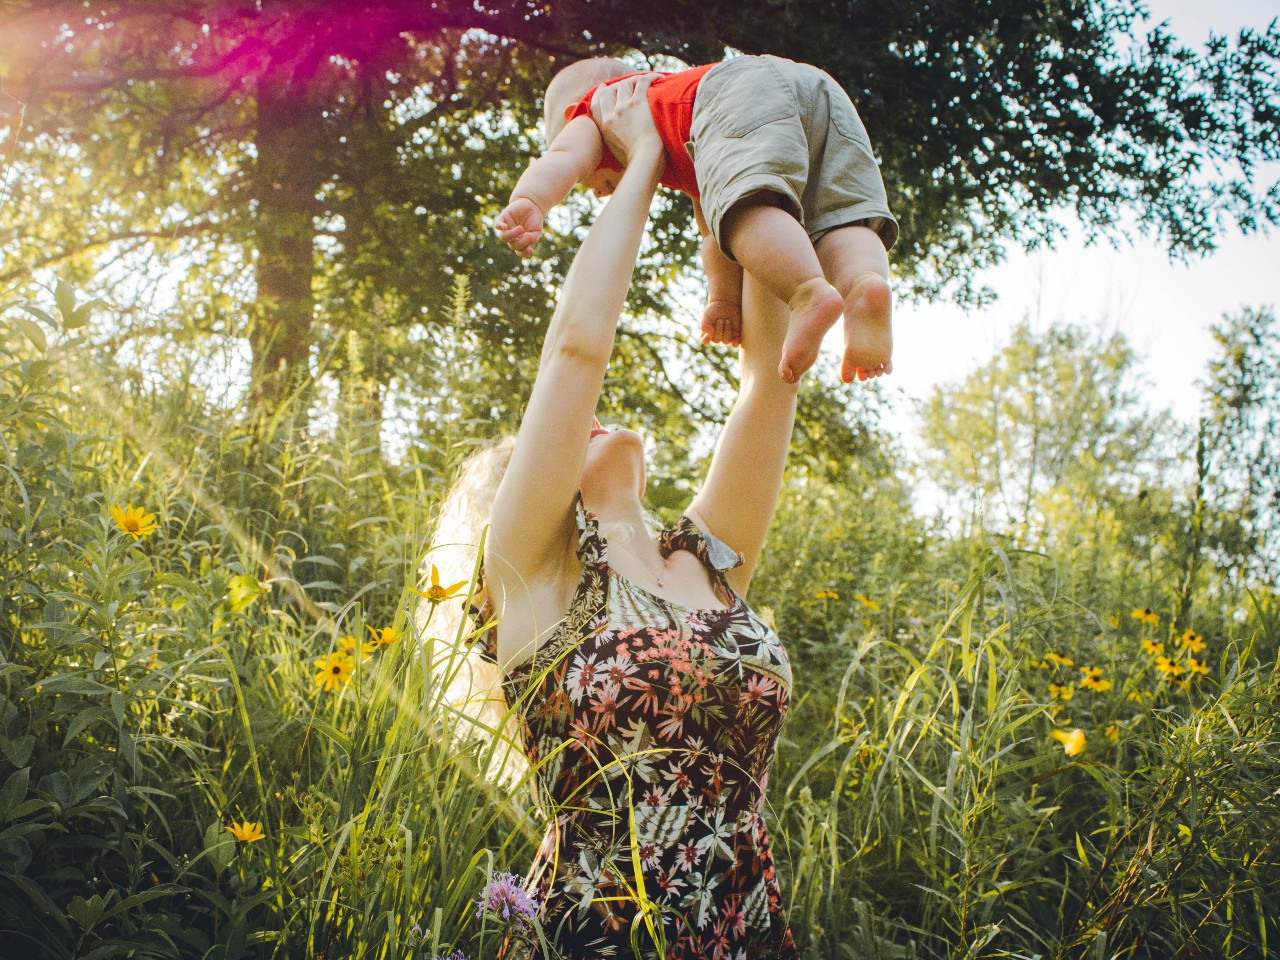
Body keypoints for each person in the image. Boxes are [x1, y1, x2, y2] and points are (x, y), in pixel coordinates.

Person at [427, 76, 802, 958]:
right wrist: (638, 162)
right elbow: (577, 347)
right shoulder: (535, 573)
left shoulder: (706, 565)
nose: (587, 419)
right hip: (597, 935)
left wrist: (735, 165)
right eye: (558, 438)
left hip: (745, 934)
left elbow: (771, 381)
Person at [493, 54, 899, 385]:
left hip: (736, 90)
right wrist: (722, 300)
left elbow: (562, 158)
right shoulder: (688, 132)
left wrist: (531, 199)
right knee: (839, 216)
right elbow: (714, 233)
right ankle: (864, 285)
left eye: (590, 183)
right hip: (816, 88)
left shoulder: (600, 109)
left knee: (746, 212)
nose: (597, 190)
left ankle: (808, 292)